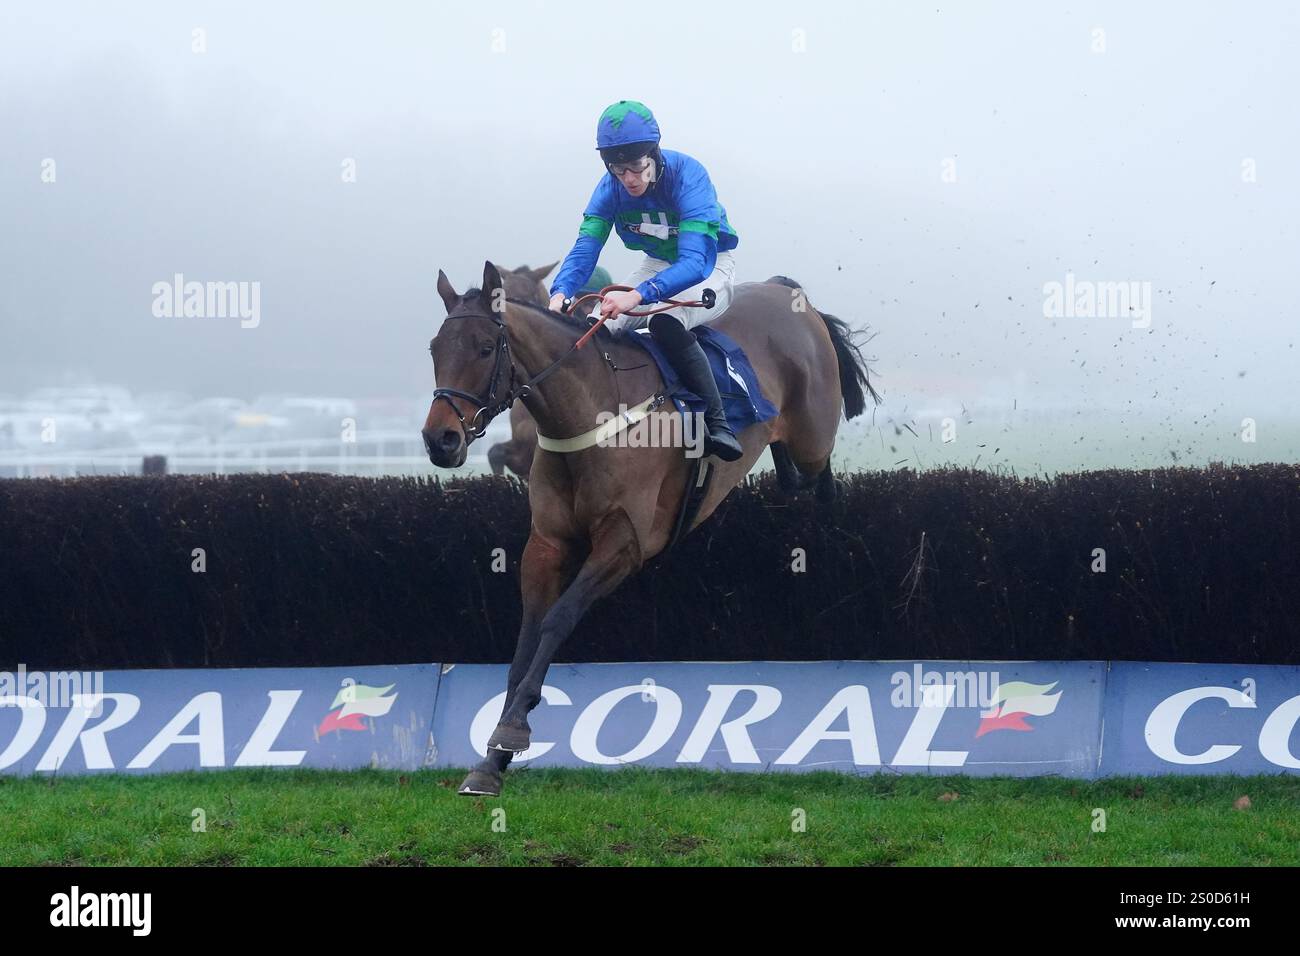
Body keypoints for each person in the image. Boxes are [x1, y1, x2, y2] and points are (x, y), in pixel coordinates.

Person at [548, 100, 743, 462]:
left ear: (654, 154)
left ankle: (718, 423)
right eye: (619, 170)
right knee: (599, 324)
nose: (630, 179)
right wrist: (560, 292)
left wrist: (639, 295)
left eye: (637, 166)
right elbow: (585, 247)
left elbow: (694, 262)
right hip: (656, 263)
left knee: (665, 320)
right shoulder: (608, 190)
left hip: (710, 264)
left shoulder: (690, 176)